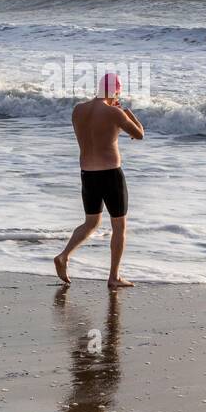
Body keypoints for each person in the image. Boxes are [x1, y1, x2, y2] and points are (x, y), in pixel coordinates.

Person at [53, 72, 145, 288]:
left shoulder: (78, 110)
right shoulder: (115, 113)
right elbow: (139, 134)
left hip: (87, 173)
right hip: (111, 174)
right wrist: (127, 112)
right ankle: (113, 276)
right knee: (119, 227)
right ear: (116, 92)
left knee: (91, 222)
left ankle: (64, 255)